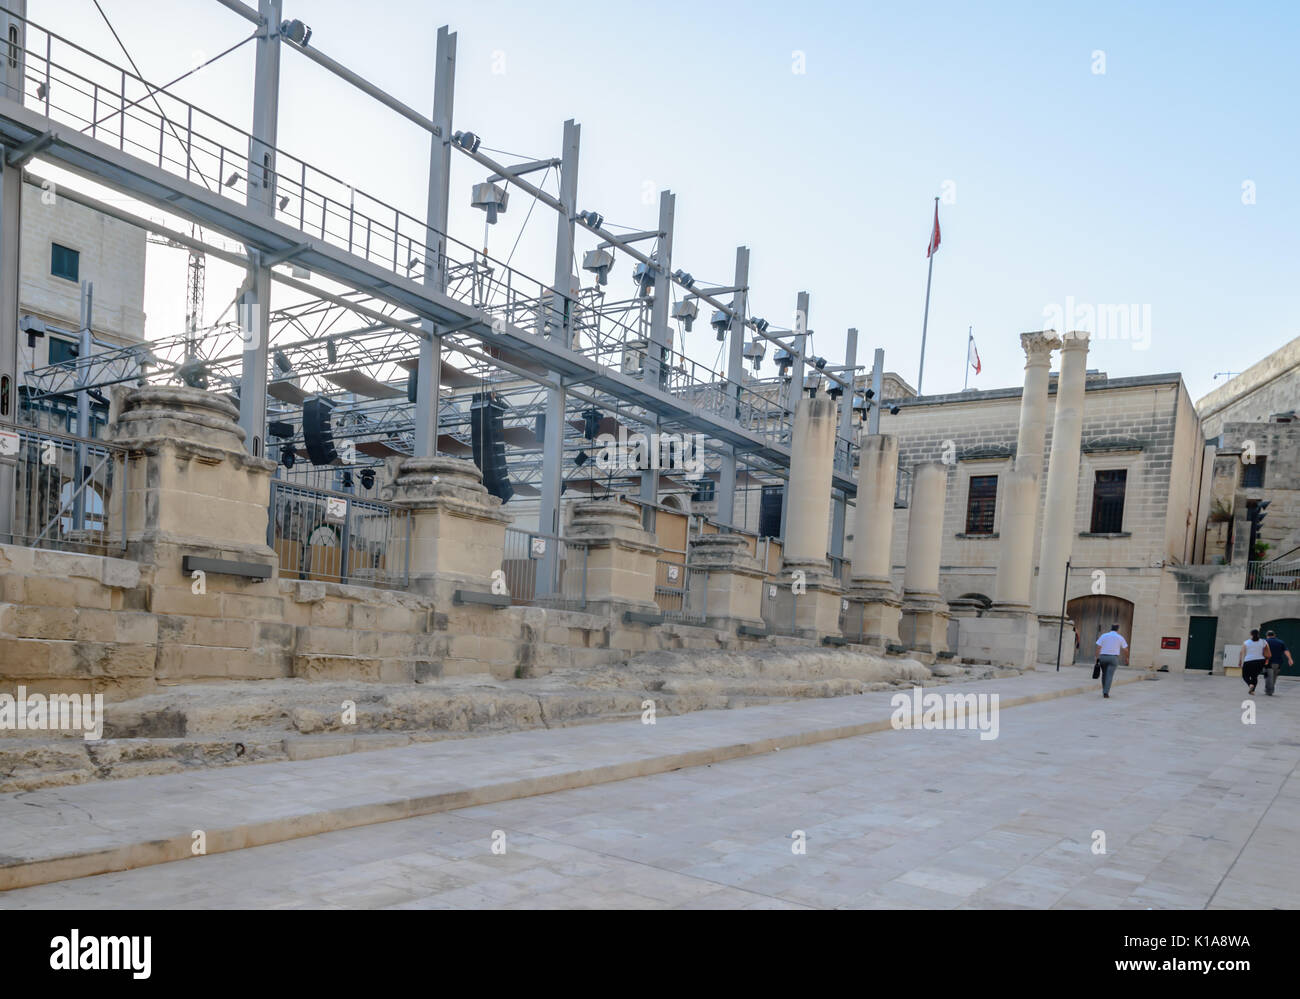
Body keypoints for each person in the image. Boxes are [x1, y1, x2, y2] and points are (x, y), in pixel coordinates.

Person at [1096, 623, 1128, 698]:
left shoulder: (1104, 635)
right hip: (1113, 658)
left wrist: (1097, 657)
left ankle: (1104, 690)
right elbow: (1126, 649)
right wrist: (1127, 658)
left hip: (1103, 657)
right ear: (1118, 629)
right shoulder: (1120, 637)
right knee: (1109, 675)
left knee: (1104, 674)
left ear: (1111, 628)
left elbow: (1098, 647)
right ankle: (1106, 692)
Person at [1238, 629, 1270, 696]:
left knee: (1245, 676)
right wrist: (1267, 660)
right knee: (1254, 676)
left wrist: (1240, 661)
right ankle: (1252, 691)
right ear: (1258, 634)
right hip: (1260, 661)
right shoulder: (1264, 642)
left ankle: (1250, 685)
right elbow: (1268, 652)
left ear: (1251, 634)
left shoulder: (1246, 642)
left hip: (1249, 661)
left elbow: (1242, 652)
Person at [1263, 630, 1292, 696]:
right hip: (1277, 663)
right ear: (1274, 635)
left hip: (1267, 662)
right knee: (1274, 677)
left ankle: (1269, 690)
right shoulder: (1280, 642)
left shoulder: (1264, 642)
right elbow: (1286, 651)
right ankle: (1270, 689)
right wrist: (1290, 659)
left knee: (1267, 676)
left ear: (1267, 635)